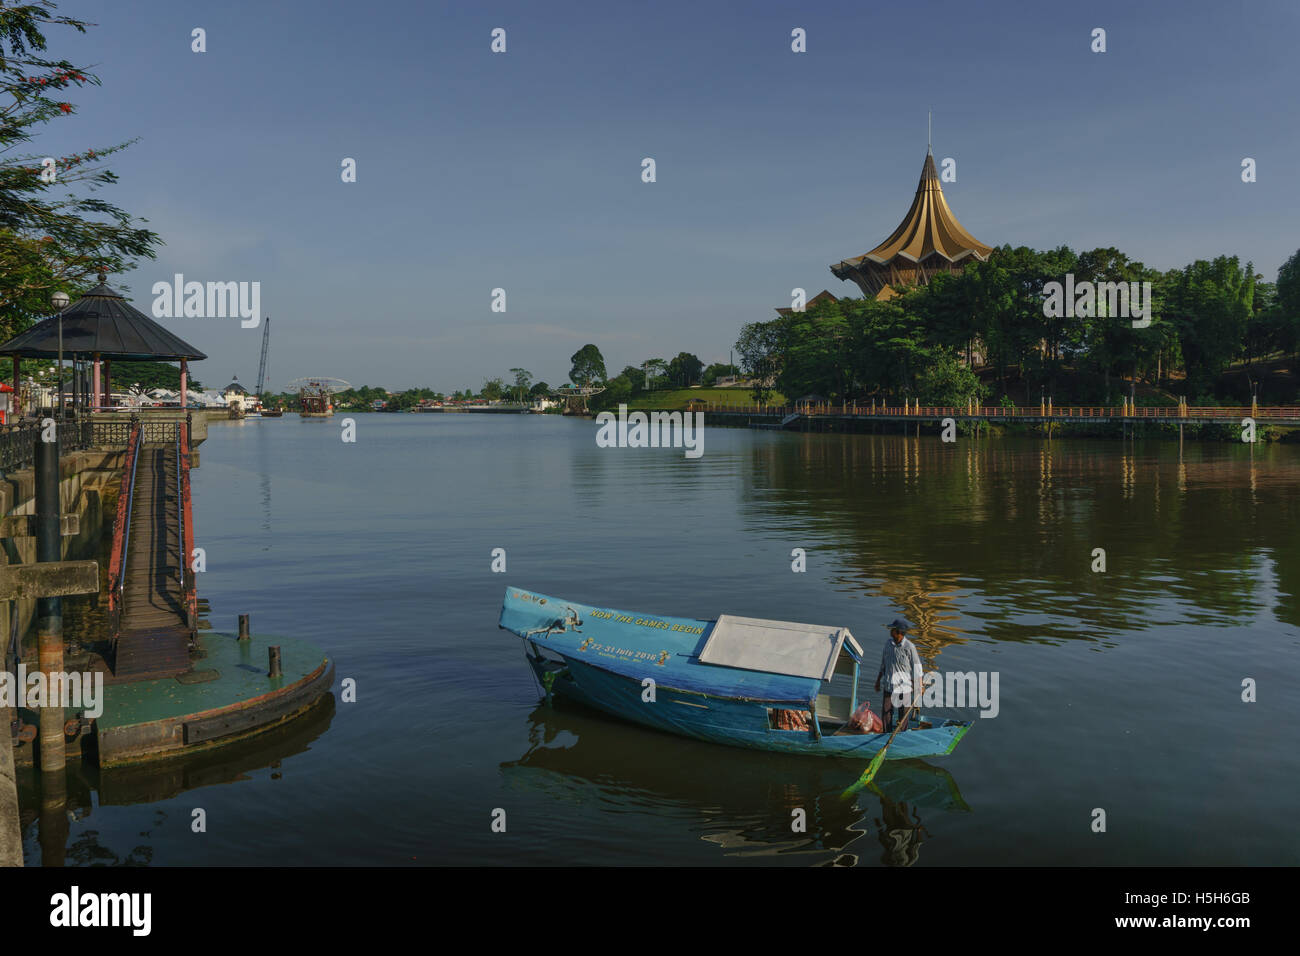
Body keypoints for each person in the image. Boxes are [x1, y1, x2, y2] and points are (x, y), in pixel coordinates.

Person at [874, 618, 923, 733]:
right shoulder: (888, 644)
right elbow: (883, 664)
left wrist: (919, 686)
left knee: (904, 715)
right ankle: (886, 734)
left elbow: (917, 668)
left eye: (893, 630)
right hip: (888, 686)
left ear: (899, 632)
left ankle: (901, 735)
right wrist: (878, 681)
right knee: (886, 713)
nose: (891, 632)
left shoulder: (909, 647)